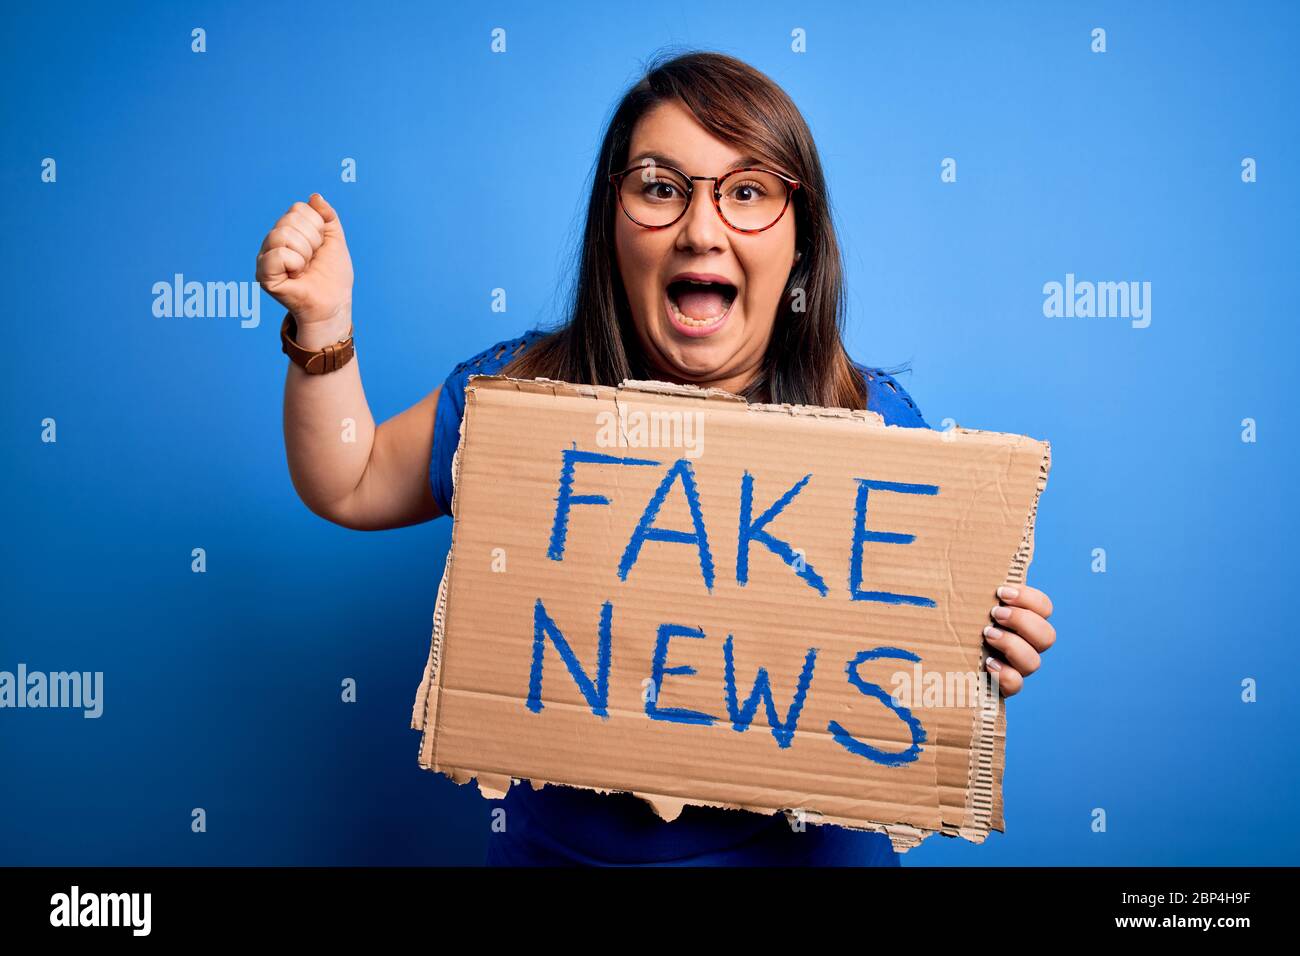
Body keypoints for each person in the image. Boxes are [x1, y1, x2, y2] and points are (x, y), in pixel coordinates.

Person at [255, 49, 1057, 866]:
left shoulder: (874, 428)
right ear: (613, 221)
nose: (701, 230)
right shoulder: (520, 396)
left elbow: (912, 675)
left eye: (747, 193)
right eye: (661, 189)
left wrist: (979, 658)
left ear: (799, 240)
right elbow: (349, 481)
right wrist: (324, 324)